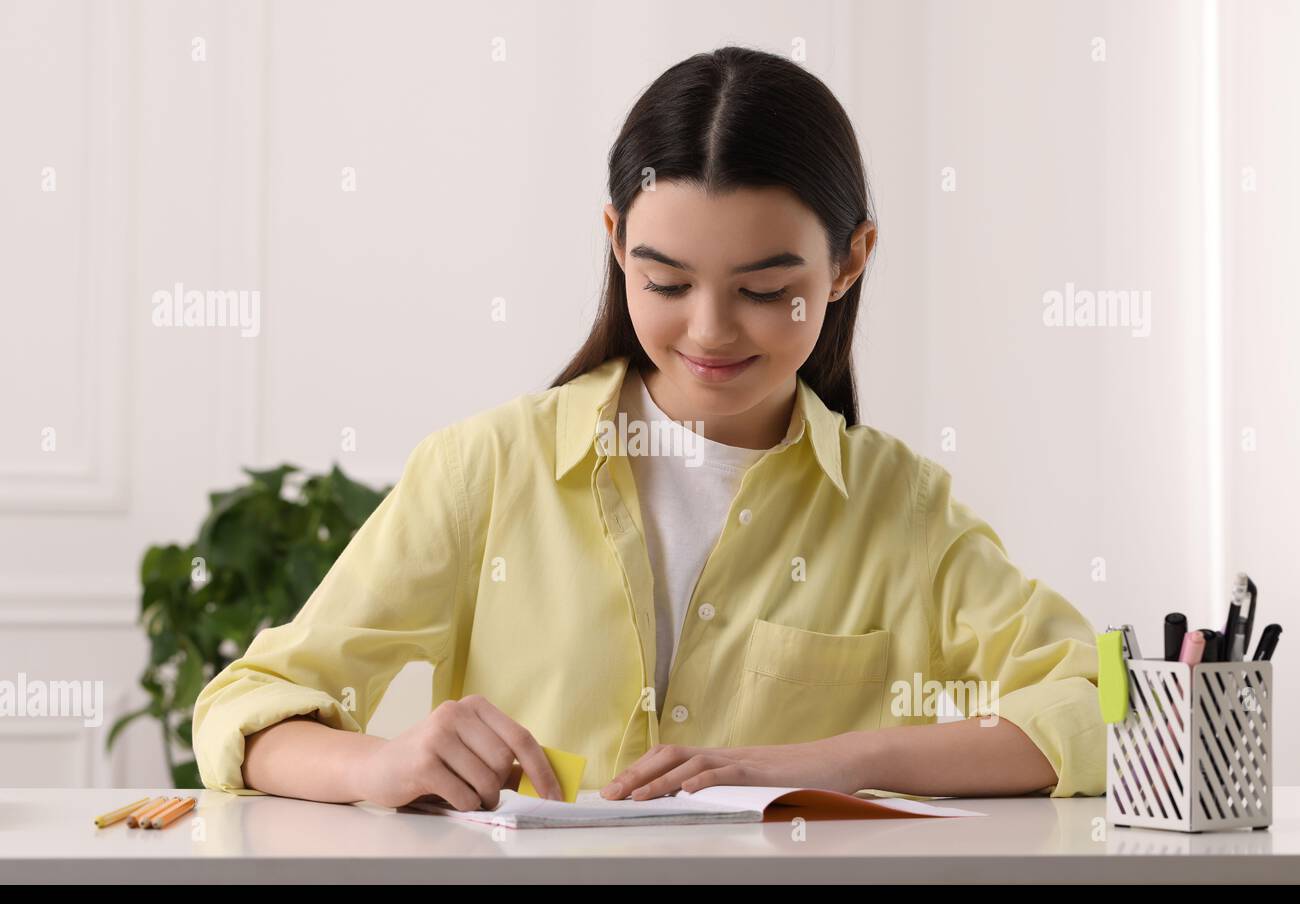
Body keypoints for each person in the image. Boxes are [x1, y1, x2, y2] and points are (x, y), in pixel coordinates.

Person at [192, 46, 1104, 811]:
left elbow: (1110, 703)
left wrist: (825, 765)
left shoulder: (900, 512)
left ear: (849, 261)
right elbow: (250, 706)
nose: (709, 329)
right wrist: (382, 766)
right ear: (617, 242)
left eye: (760, 289)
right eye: (665, 282)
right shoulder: (490, 470)